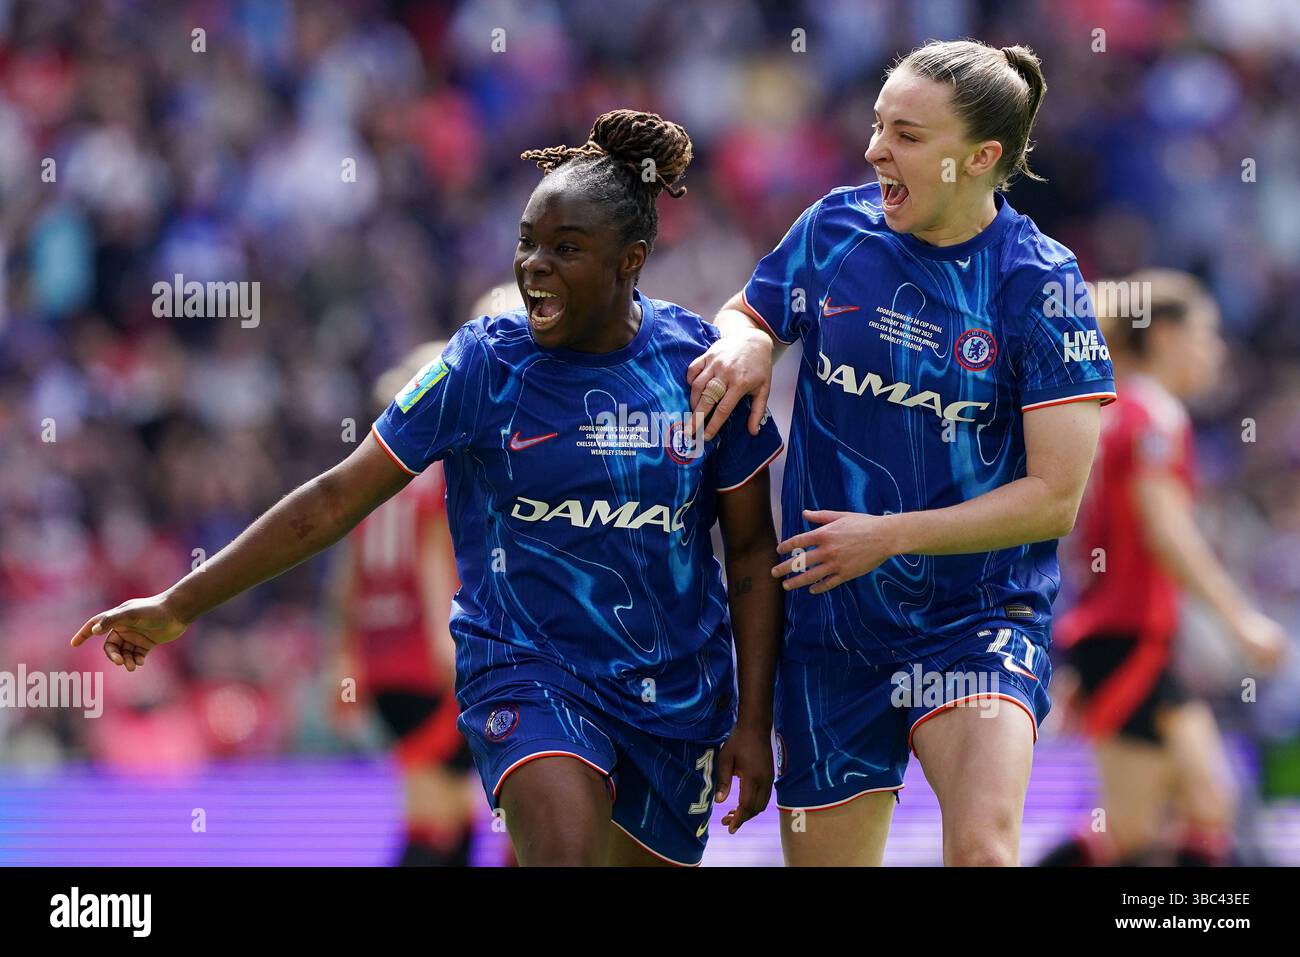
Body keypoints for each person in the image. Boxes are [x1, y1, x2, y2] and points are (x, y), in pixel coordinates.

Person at [72, 109, 784, 867]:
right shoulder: (481, 364)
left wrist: (752, 720)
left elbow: (747, 550)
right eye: (527, 242)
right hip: (526, 672)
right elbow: (334, 500)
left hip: (675, 695)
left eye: (565, 248)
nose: (534, 265)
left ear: (630, 260)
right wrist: (179, 605)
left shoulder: (701, 370)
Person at [686, 39, 1115, 866]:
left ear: (980, 157)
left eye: (908, 135)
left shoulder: (1043, 284)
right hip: (831, 628)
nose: (876, 149)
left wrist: (890, 535)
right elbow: (746, 315)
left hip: (976, 620)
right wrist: (742, 341)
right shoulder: (834, 231)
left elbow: (1055, 497)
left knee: (985, 850)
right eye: (879, 126)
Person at [1040, 270, 1286, 866]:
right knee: (1133, 827)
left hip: (1122, 636)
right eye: (1207, 335)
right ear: (1169, 336)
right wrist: (1239, 619)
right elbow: (1167, 531)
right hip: (1129, 638)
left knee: (1204, 802)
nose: (1216, 351)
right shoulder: (1155, 416)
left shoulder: (1111, 412)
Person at [325, 341, 480, 867]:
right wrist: (445, 642)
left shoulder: (366, 484)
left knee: (450, 805)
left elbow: (346, 582)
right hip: (428, 662)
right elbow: (433, 560)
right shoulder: (437, 476)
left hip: (380, 661)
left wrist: (344, 660)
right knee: (440, 809)